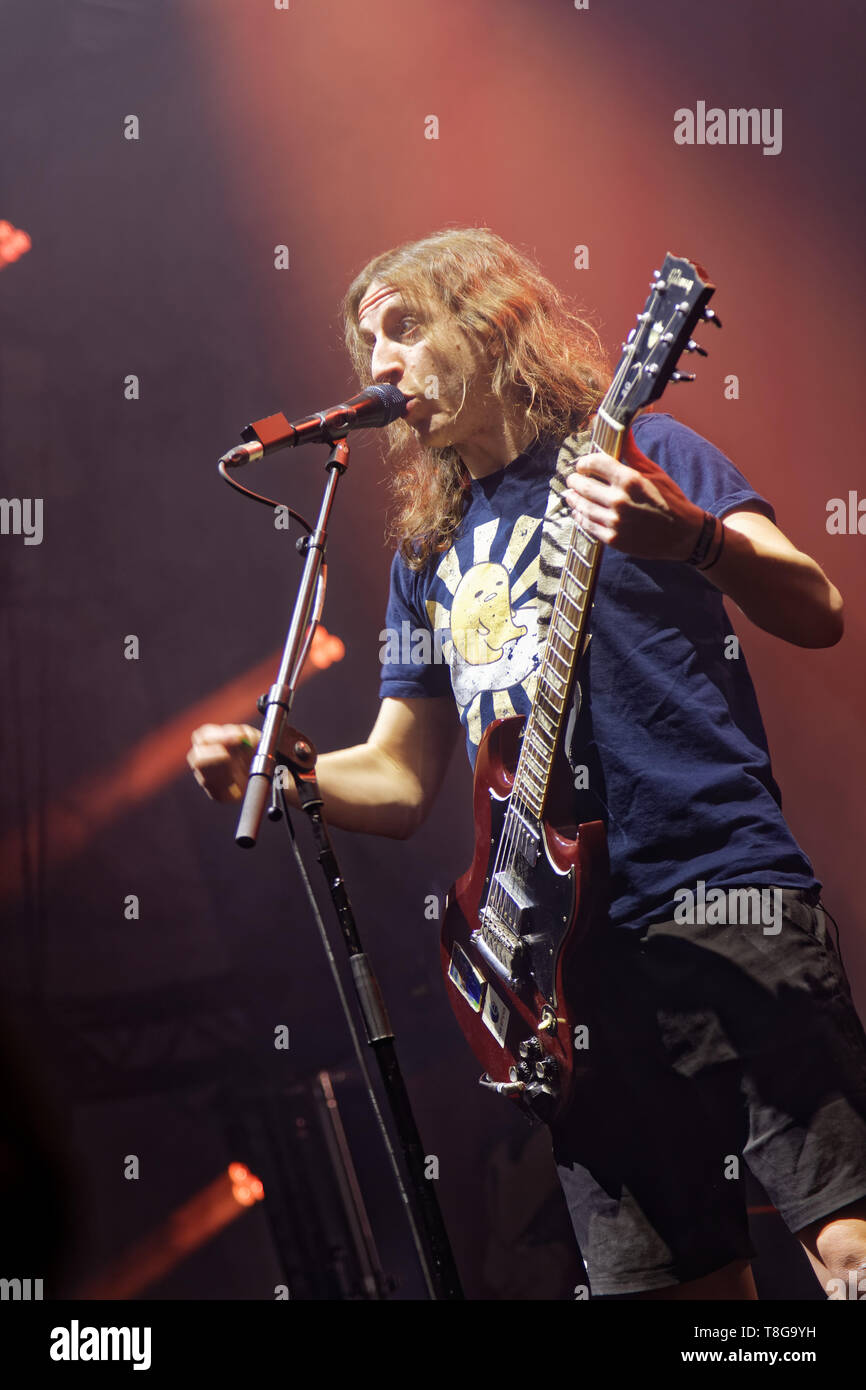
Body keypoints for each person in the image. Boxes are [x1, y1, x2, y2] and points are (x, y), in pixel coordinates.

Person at [188, 228, 866, 1300]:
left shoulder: (647, 454)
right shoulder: (425, 559)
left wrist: (692, 540)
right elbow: (402, 778)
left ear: (493, 320)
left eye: (404, 326)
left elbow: (816, 608)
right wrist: (286, 772)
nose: (380, 362)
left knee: (845, 1246)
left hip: (715, 891)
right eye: (366, 340)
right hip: (563, 970)